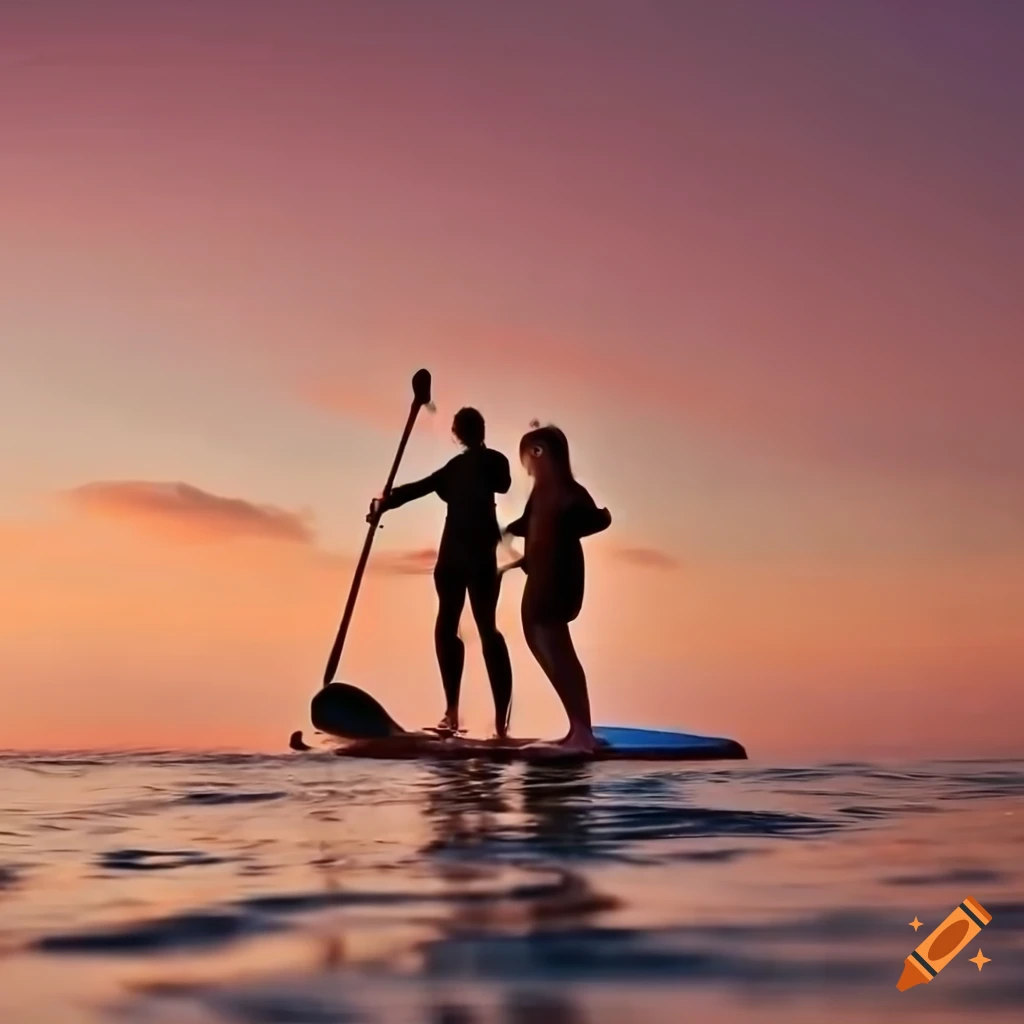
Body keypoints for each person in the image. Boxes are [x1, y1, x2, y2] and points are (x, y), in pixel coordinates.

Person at [371, 407, 514, 738]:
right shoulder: (460, 468)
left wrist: (385, 502)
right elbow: (413, 491)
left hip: (473, 556)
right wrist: (383, 503)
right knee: (456, 626)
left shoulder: (487, 463)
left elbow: (502, 483)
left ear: (458, 434)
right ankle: (455, 714)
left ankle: (494, 722)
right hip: (455, 557)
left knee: (481, 629)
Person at [501, 422, 611, 754]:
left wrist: (563, 528)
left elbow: (593, 519)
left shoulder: (566, 492)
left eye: (535, 453)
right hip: (540, 580)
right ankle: (578, 727)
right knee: (546, 647)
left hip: (556, 582)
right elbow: (528, 524)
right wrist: (507, 533)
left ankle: (582, 731)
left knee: (559, 652)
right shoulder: (541, 494)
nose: (529, 463)